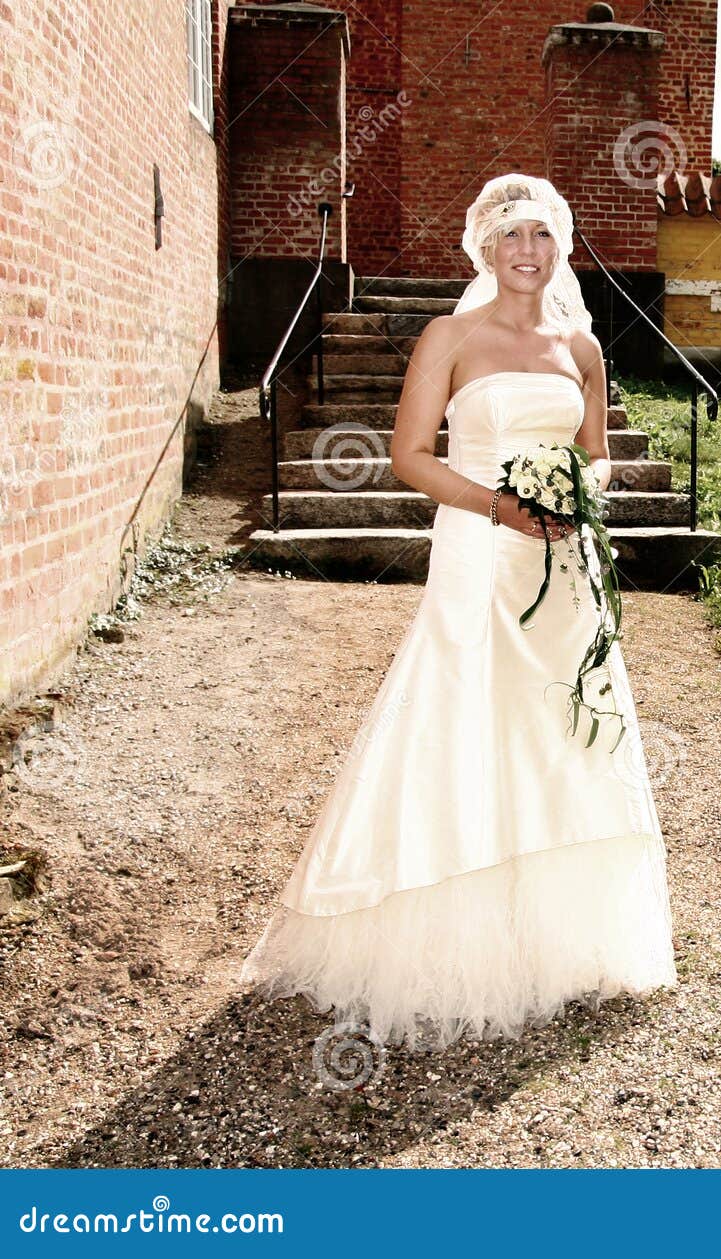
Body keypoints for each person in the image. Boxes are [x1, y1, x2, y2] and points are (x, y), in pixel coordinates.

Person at [239, 175, 678, 1050]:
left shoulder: (582, 345)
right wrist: (499, 505)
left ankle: (558, 937)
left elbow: (596, 453)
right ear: (484, 247)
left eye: (542, 235)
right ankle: (445, 929)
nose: (528, 251)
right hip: (480, 549)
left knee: (558, 727)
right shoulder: (449, 336)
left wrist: (577, 491)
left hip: (562, 563)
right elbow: (409, 454)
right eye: (512, 235)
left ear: (560, 248)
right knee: (463, 710)